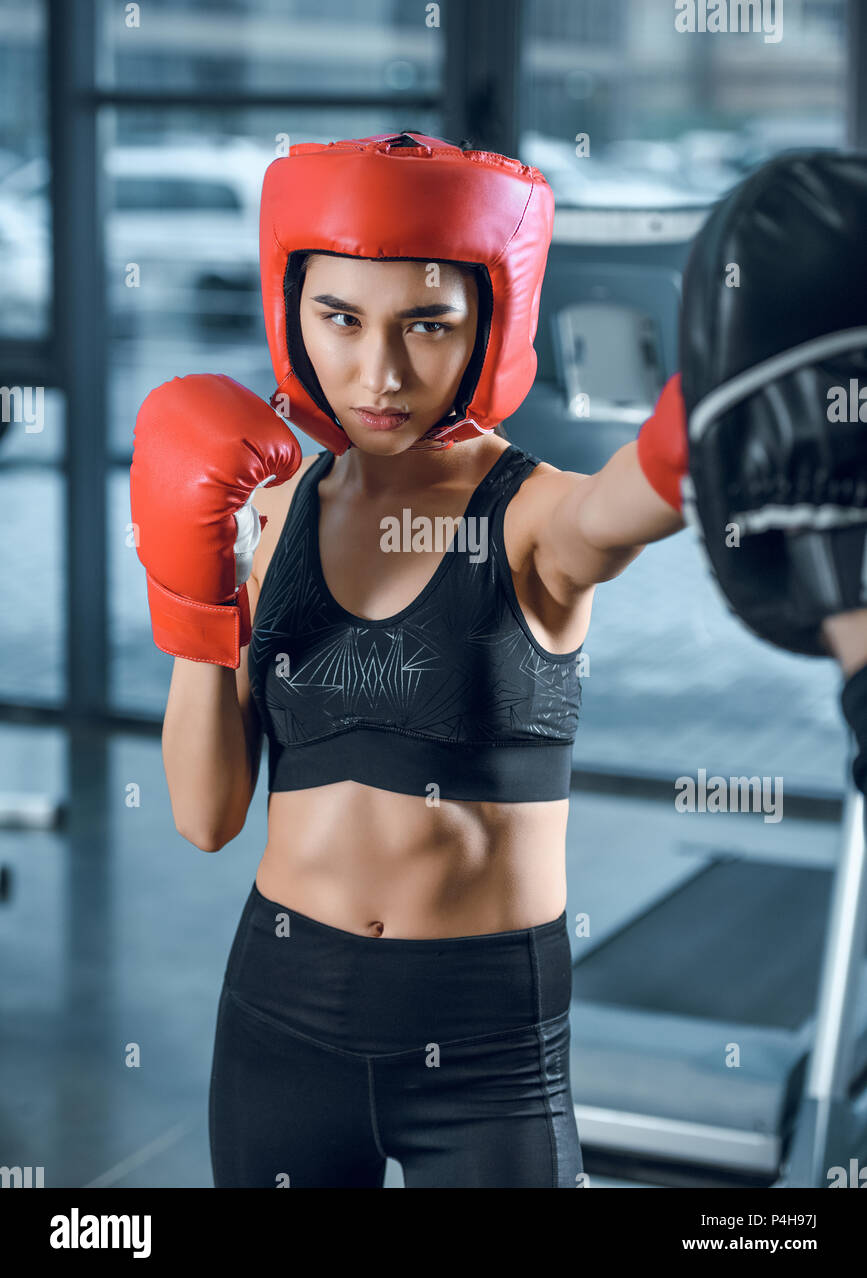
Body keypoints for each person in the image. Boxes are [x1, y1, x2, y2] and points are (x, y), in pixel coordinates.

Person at [129, 133, 865, 1189]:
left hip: (484, 1044)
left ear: (489, 322)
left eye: (426, 324)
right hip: (280, 1011)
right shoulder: (272, 513)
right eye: (341, 318)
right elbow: (206, 819)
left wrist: (709, 404)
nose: (379, 372)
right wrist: (191, 596)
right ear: (293, 311)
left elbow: (629, 498)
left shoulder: (532, 516)